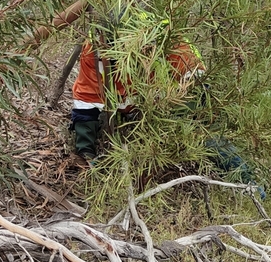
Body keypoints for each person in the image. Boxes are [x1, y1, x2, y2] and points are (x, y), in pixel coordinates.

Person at [70, 26, 205, 165]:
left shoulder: (165, 35)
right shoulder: (93, 47)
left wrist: (177, 132)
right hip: (129, 108)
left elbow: (198, 82)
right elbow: (87, 98)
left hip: (170, 107)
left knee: (215, 148)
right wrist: (86, 150)